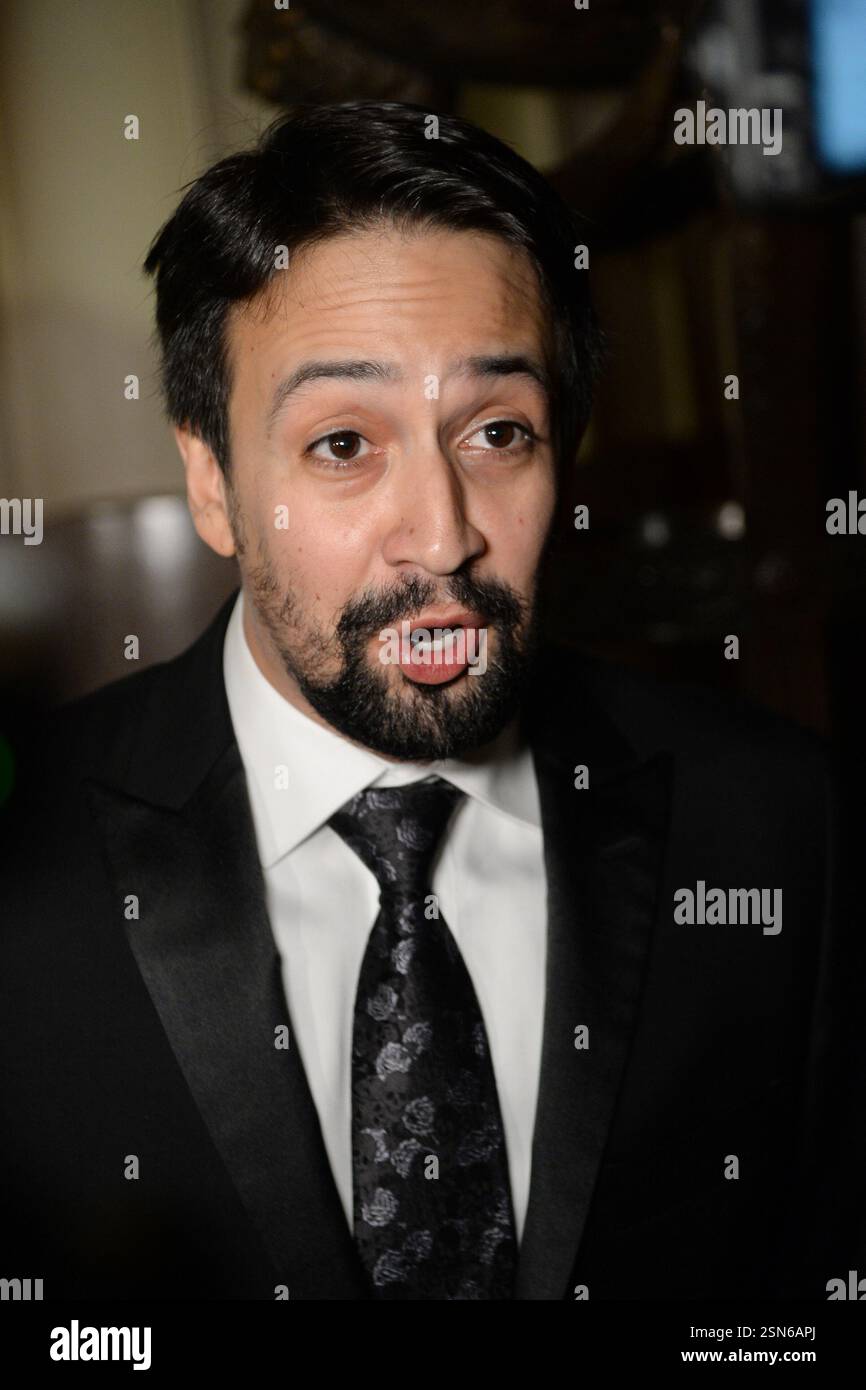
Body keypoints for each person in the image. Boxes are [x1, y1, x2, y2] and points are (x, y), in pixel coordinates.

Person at [0, 100, 850, 1300]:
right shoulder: (23, 861)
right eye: (343, 444)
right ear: (211, 482)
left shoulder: (773, 818)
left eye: (497, 431)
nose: (442, 538)